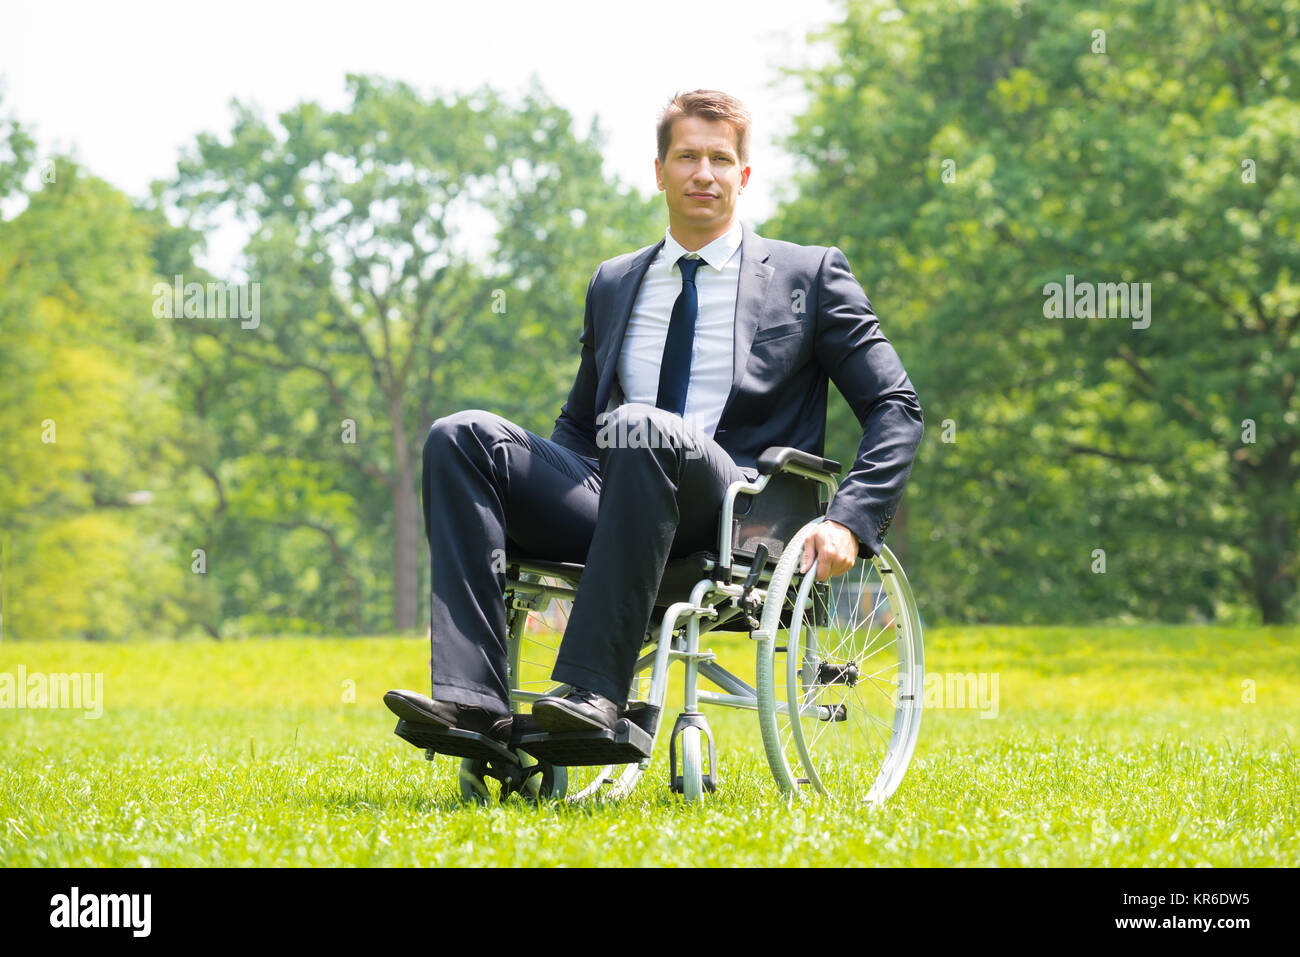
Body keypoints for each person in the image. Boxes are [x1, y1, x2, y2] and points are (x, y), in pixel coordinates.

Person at [385, 89, 923, 741]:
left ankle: (593, 694)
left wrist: (850, 520)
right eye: (688, 156)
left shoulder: (809, 276)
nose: (704, 173)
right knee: (460, 437)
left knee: (644, 427)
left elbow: (896, 406)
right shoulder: (614, 281)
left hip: (738, 510)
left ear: (743, 176)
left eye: (721, 159)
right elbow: (581, 427)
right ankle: (472, 701)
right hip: (618, 496)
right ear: (660, 170)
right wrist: (540, 507)